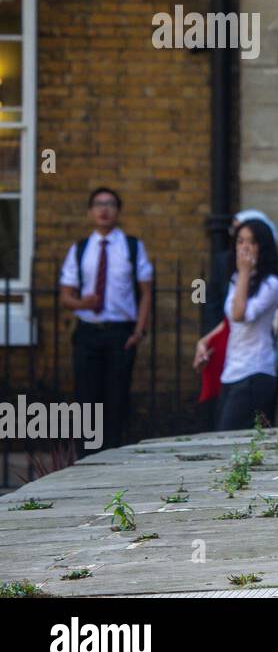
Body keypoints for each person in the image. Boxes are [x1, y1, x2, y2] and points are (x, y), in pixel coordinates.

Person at [59, 187, 154, 454]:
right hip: (88, 332)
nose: (104, 209)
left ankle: (112, 455)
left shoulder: (132, 248)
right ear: (90, 212)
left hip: (120, 333)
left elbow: (146, 293)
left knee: (117, 398)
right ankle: (86, 457)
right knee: (87, 398)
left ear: (118, 211)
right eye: (98, 204)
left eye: (110, 204)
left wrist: (138, 331)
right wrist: (81, 304)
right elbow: (65, 296)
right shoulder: (80, 250)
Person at [195, 218, 278, 432]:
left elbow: (239, 314)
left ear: (263, 247)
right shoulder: (236, 279)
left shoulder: (271, 284)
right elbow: (229, 322)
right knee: (226, 436)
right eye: (240, 241)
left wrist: (244, 271)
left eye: (252, 242)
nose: (244, 247)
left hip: (255, 371)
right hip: (232, 370)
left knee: (230, 436)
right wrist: (204, 341)